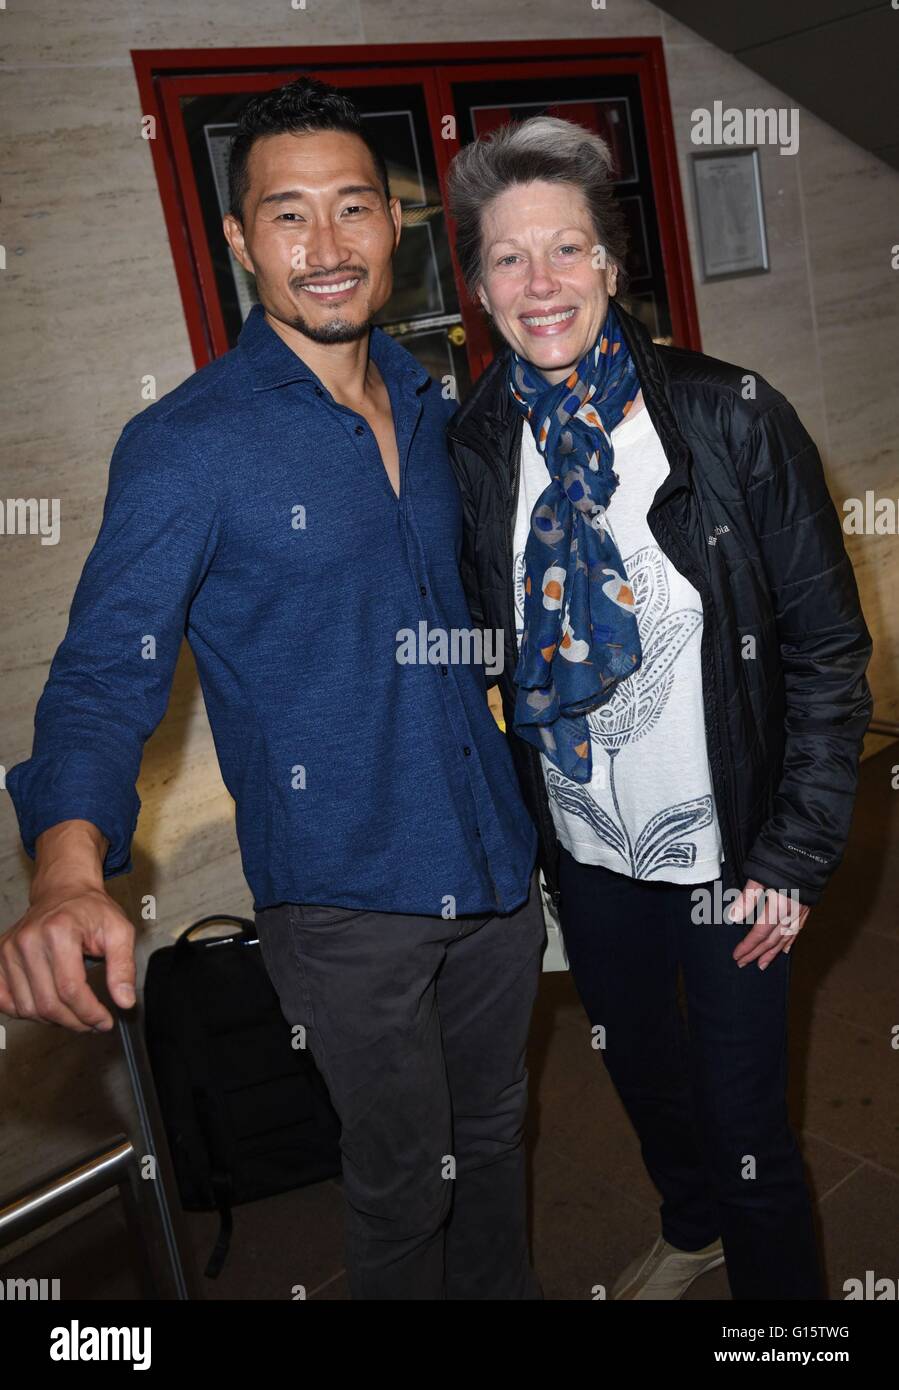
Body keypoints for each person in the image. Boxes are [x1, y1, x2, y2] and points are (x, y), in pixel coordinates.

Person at [0, 77, 546, 1301]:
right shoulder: (190, 445)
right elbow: (102, 667)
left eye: (353, 208)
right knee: (406, 1184)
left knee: (500, 1144)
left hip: (496, 868)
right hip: (348, 902)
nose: (327, 245)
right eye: (286, 215)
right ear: (240, 242)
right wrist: (67, 869)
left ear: (393, 227)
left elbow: (451, 625)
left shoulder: (433, 396)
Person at [444, 115, 873, 1301]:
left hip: (732, 848)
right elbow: (489, 642)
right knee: (641, 1075)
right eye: (508, 258)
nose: (541, 284)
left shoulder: (729, 415)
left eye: (566, 249)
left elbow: (830, 652)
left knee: (748, 1126)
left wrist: (790, 852)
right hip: (585, 848)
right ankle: (691, 1230)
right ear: (477, 288)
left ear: (611, 265)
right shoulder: (478, 444)